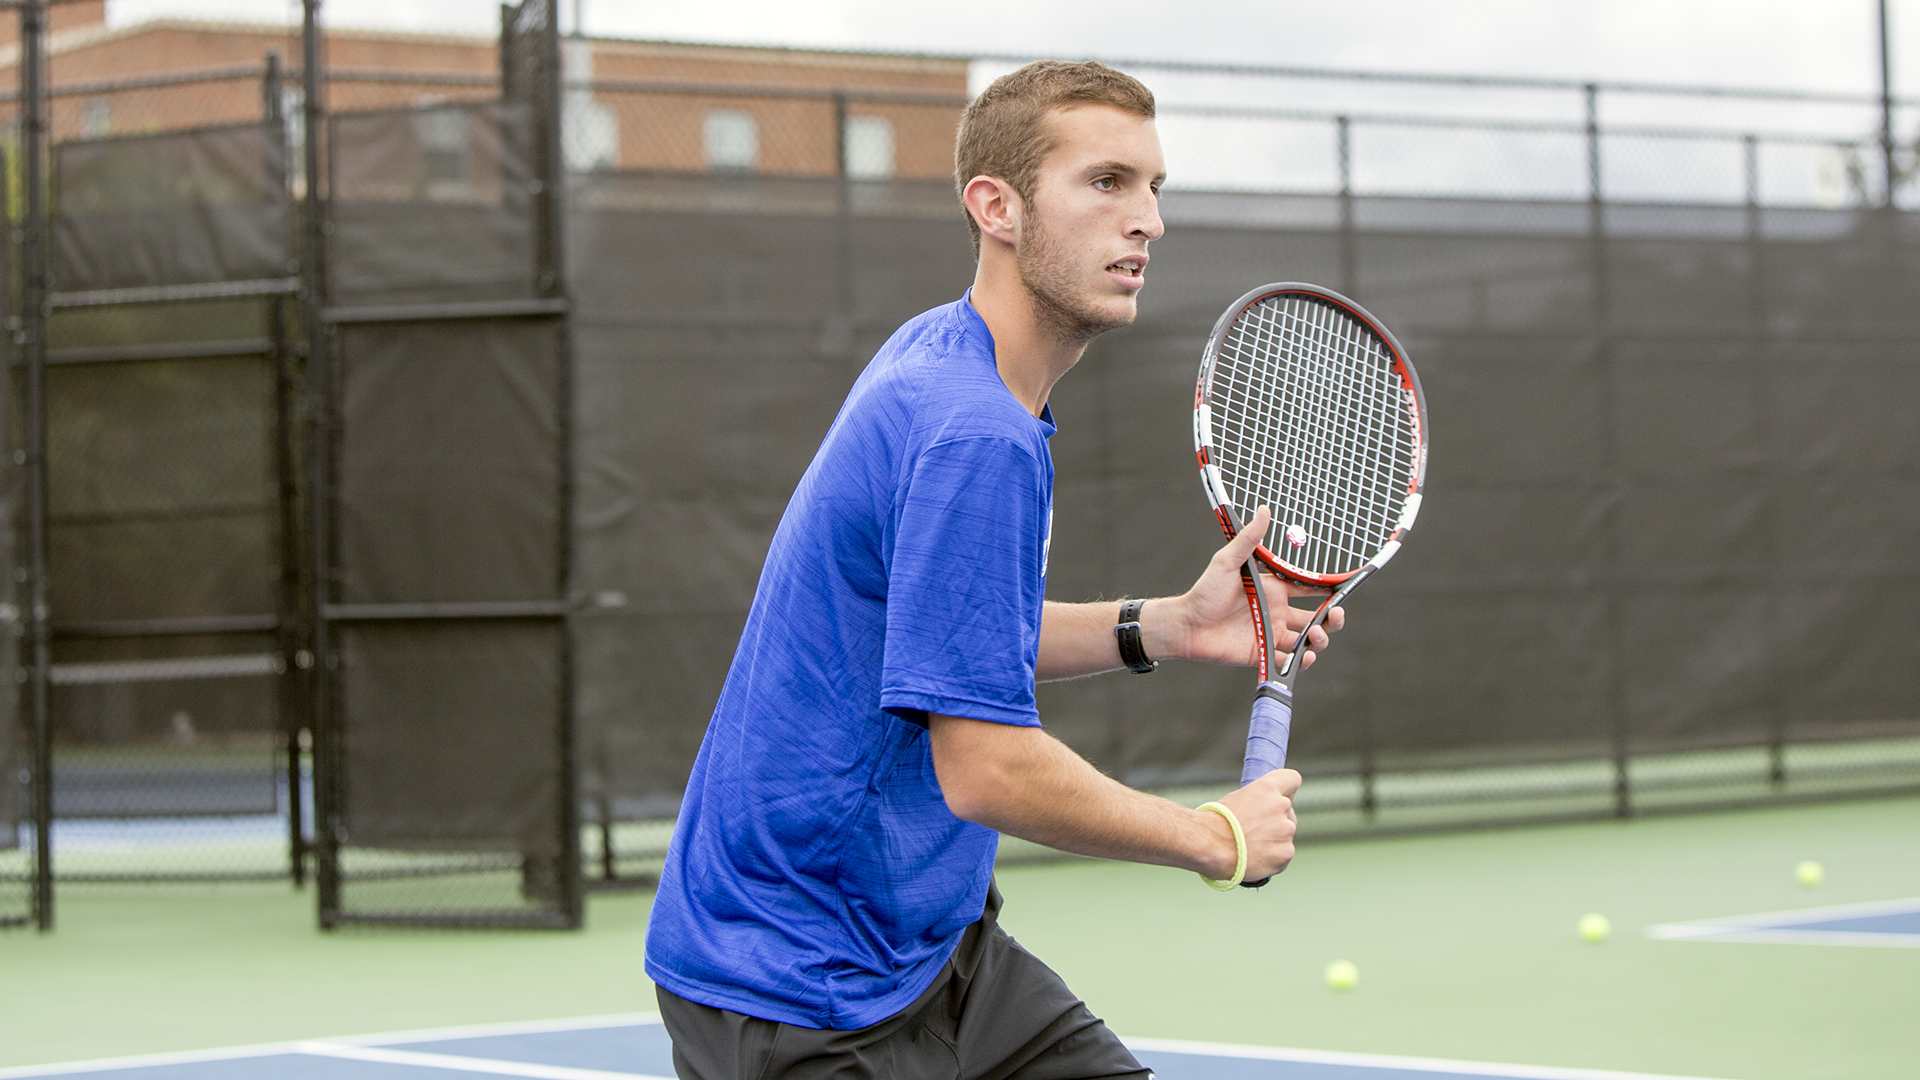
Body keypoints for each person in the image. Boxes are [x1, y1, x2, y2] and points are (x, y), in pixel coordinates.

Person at [644, 60, 1343, 1080]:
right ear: (996, 207)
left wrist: (1167, 626)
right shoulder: (974, 431)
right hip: (797, 985)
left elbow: (947, 636)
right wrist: (1211, 836)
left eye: (1155, 188)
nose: (1146, 219)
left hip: (934, 955)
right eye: (1106, 183)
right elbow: (986, 768)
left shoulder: (946, 359)